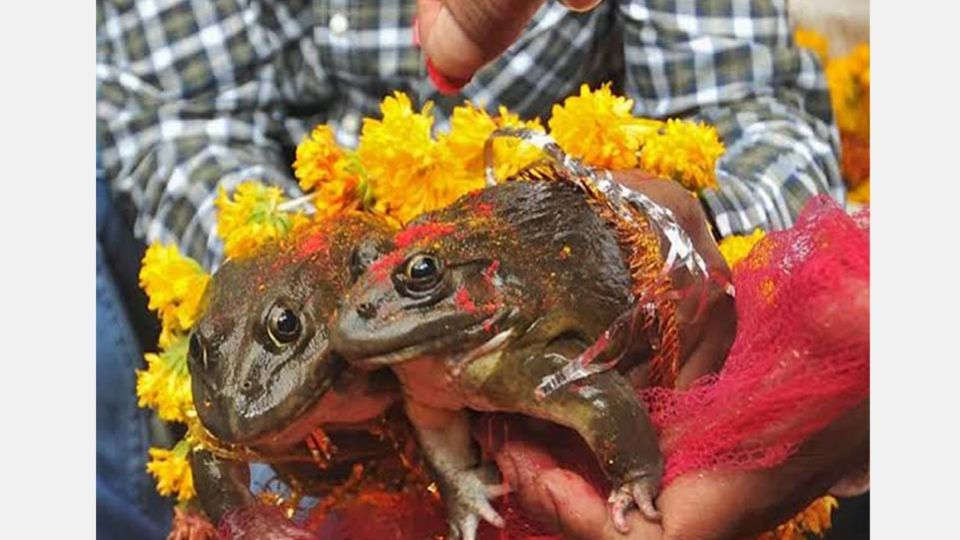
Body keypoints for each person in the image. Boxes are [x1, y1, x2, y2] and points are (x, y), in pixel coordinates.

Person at [96, 1, 861, 538]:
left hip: (559, 224)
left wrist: (659, 246)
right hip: (308, 235)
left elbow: (749, 114)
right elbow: (177, 121)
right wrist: (300, 270)